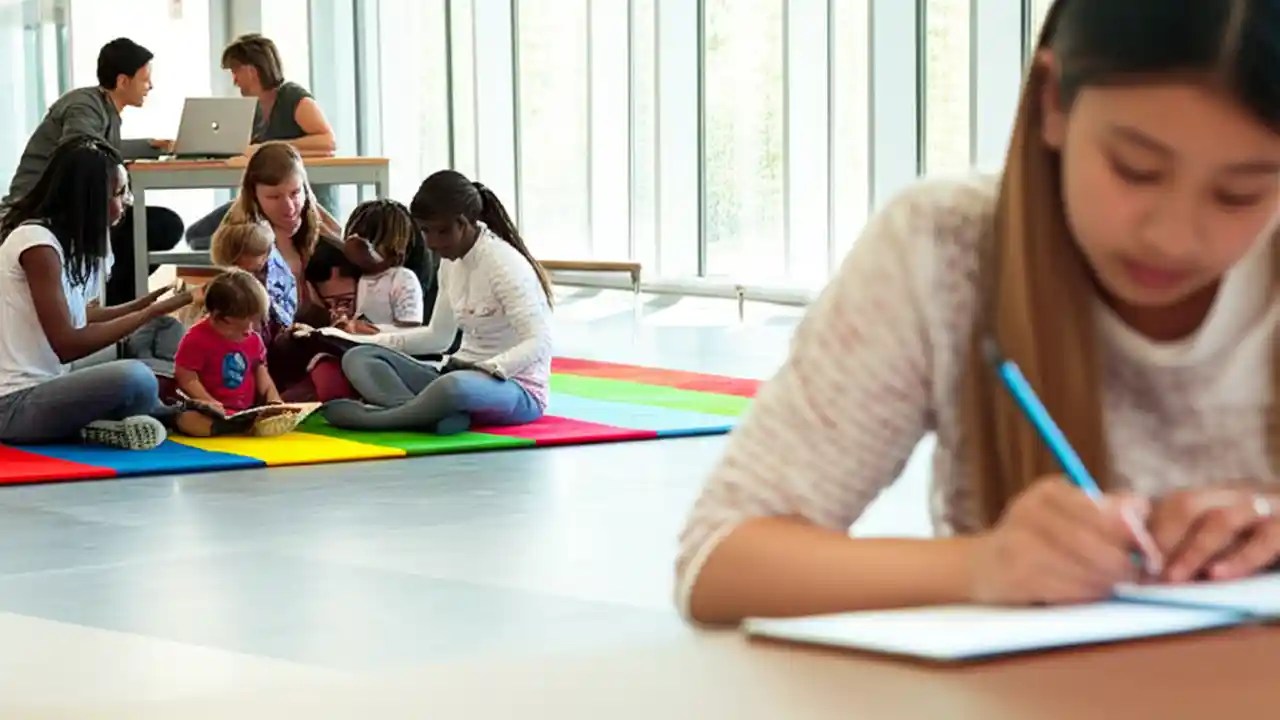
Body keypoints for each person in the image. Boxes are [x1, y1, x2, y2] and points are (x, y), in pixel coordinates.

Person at [678, 0, 1280, 625]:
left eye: (1240, 194)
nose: (1174, 237)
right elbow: (719, 561)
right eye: (1137, 170)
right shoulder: (944, 250)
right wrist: (980, 565)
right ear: (1052, 101)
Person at [0, 138, 200, 449]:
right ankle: (170, 415)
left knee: (151, 360)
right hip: (13, 405)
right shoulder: (36, 243)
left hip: (50, 387)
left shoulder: (73, 244)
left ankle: (141, 418)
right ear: (90, 199)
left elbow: (81, 315)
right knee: (137, 377)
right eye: (119, 193)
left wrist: (142, 305)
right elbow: (67, 344)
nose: (127, 201)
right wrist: (147, 313)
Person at [320, 170, 553, 435]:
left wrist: (488, 368)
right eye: (425, 231)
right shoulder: (450, 263)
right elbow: (438, 337)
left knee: (454, 387)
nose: (431, 243)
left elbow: (540, 341)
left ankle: (385, 419)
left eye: (440, 232)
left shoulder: (505, 265)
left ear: (462, 224)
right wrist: (361, 339)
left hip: (513, 386)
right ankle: (430, 417)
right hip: (454, 372)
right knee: (359, 358)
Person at [2, 37, 184, 306]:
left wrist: (151, 147)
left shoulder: (102, 108)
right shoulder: (83, 105)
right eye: (145, 80)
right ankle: (116, 308)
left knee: (158, 226)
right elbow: (83, 151)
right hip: (38, 211)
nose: (151, 86)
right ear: (123, 81)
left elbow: (100, 147)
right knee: (160, 226)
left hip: (70, 209)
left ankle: (115, 307)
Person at [186, 34, 338, 247]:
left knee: (207, 241)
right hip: (266, 203)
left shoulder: (293, 98)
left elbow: (328, 142)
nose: (234, 80)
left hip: (297, 204)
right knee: (195, 235)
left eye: (235, 71)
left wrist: (266, 148)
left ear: (252, 70)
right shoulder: (255, 108)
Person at [172, 268, 289, 437]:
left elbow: (260, 370)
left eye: (253, 323)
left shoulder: (253, 339)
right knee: (188, 420)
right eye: (241, 326)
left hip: (246, 411)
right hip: (210, 411)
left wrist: (273, 398)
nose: (249, 331)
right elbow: (186, 376)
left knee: (272, 419)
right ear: (218, 317)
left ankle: (241, 426)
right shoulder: (196, 338)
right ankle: (228, 428)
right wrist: (207, 401)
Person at [337, 199, 425, 332]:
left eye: (372, 240)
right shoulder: (355, 277)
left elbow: (410, 329)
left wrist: (370, 331)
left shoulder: (402, 278)